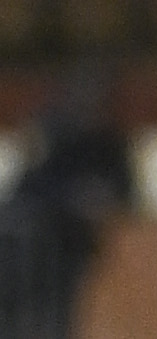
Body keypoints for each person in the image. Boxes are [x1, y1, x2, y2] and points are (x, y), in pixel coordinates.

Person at [0, 78, 133, 339]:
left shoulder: (108, 144)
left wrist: (95, 200)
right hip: (33, 238)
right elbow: (27, 187)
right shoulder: (53, 136)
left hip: (68, 243)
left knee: (56, 308)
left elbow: (124, 193)